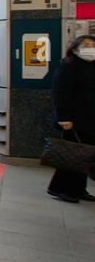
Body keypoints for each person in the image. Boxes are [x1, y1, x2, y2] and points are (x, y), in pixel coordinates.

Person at [46, 34, 95, 203]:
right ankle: (60, 188)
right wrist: (64, 117)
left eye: (93, 45)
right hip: (73, 119)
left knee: (84, 154)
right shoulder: (69, 66)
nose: (90, 49)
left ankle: (79, 188)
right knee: (72, 154)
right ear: (75, 49)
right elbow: (61, 93)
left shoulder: (90, 67)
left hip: (89, 118)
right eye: (86, 45)